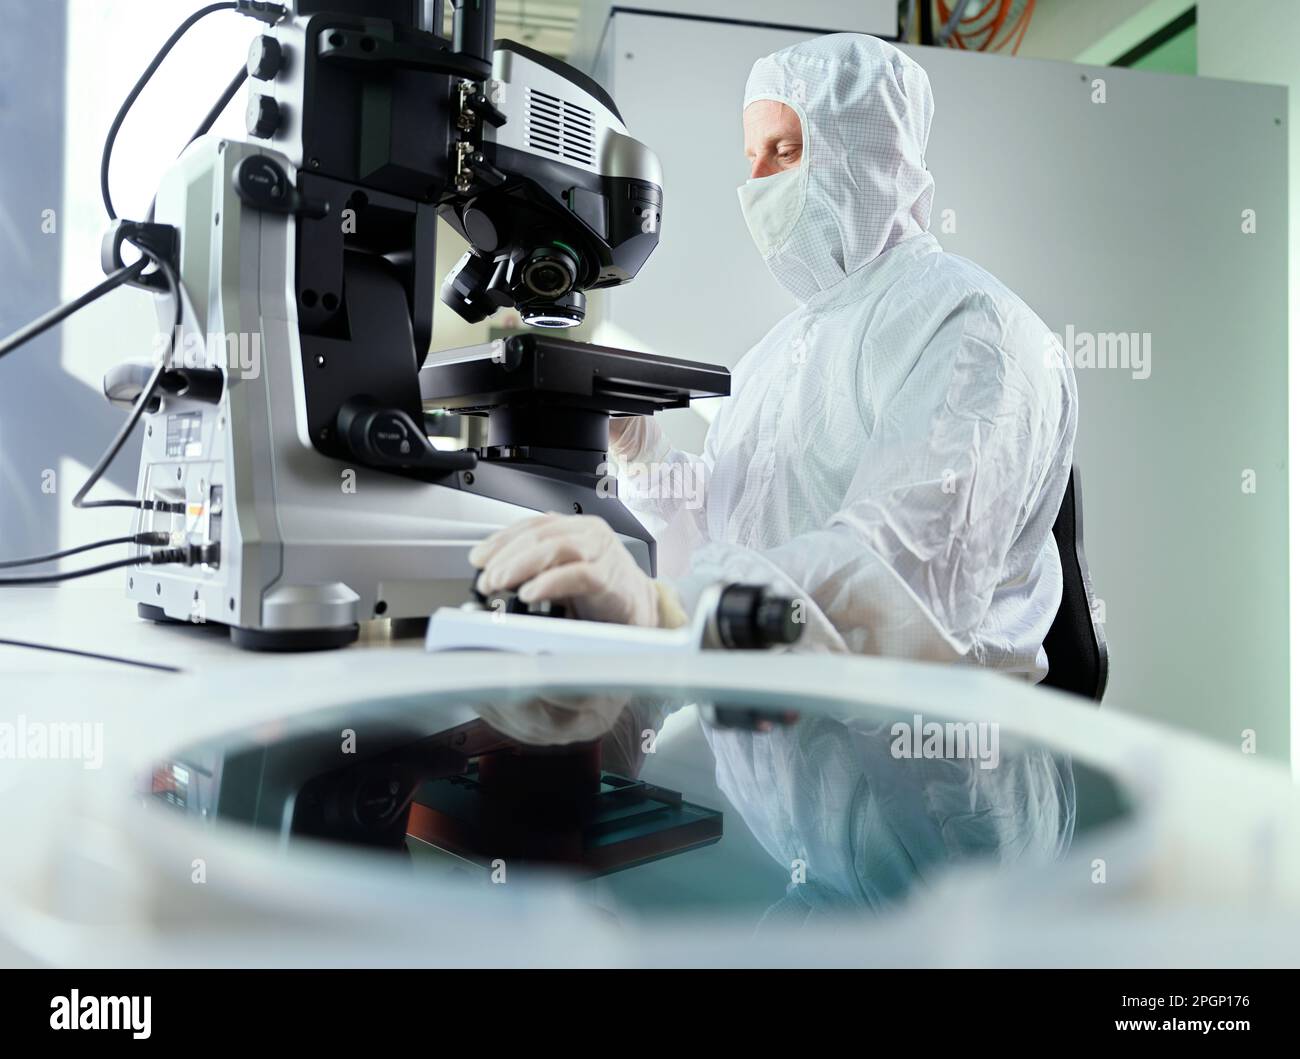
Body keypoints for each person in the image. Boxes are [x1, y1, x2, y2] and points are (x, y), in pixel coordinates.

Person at [471, 33, 1077, 681]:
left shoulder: (972, 327)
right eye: (751, 158)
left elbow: (900, 582)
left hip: (924, 763)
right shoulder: (774, 355)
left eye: (785, 152)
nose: (756, 185)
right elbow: (717, 545)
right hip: (763, 747)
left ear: (875, 155)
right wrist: (645, 463)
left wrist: (665, 609)